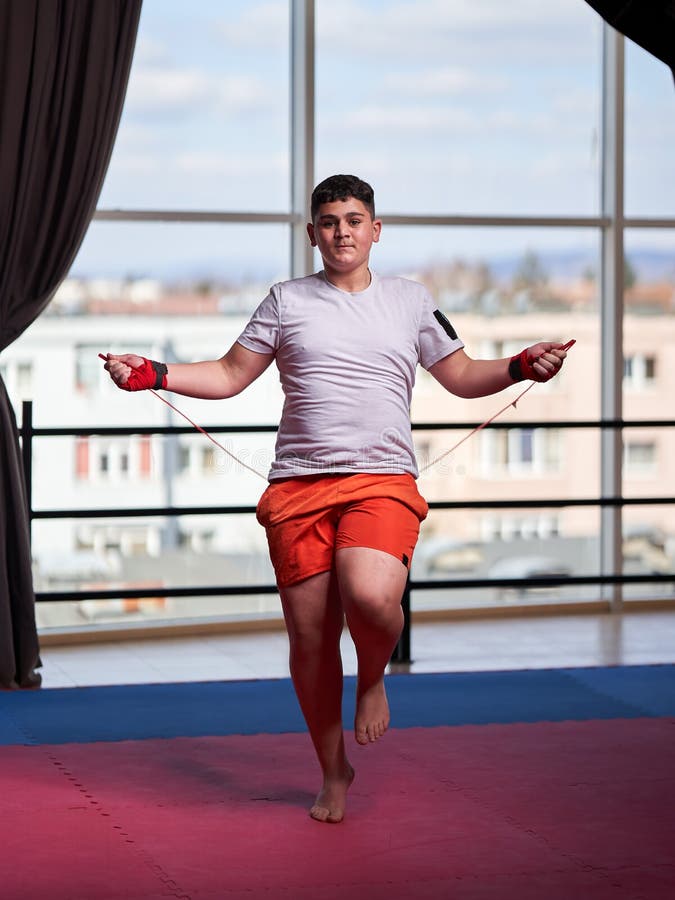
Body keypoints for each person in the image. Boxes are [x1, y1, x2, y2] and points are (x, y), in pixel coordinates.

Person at [102, 173, 570, 824]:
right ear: (312, 234)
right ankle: (333, 771)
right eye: (329, 221)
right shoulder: (284, 300)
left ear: (375, 230)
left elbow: (460, 375)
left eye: (353, 220)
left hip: (380, 478)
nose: (341, 231)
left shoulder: (412, 301)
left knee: (372, 595)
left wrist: (521, 365)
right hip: (297, 484)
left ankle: (373, 677)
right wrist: (149, 373)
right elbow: (231, 374)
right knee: (311, 640)